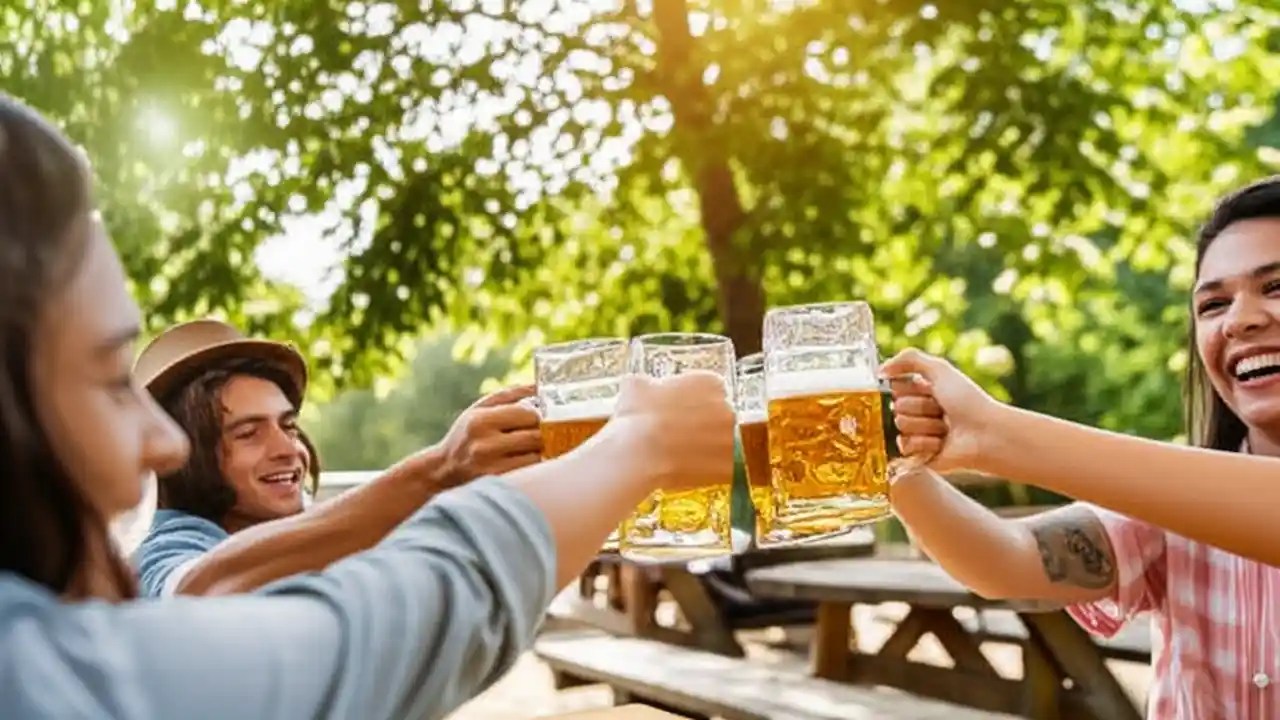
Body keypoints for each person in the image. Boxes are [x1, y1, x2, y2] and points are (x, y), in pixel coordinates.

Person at [0, 93, 736, 719]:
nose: (157, 443)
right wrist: (632, 446)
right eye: (104, 377)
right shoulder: (151, 567)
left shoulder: (311, 531)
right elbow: (203, 594)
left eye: (287, 424)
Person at [884, 178, 1280, 719]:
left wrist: (996, 435)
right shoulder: (1165, 503)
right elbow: (1006, 561)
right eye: (1213, 304)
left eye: (1276, 286)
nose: (1240, 319)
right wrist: (890, 465)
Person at [131, 318, 541, 597]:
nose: (287, 449)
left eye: (288, 426)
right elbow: (194, 596)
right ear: (180, 456)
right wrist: (440, 470)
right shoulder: (164, 543)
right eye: (248, 433)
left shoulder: (297, 528)